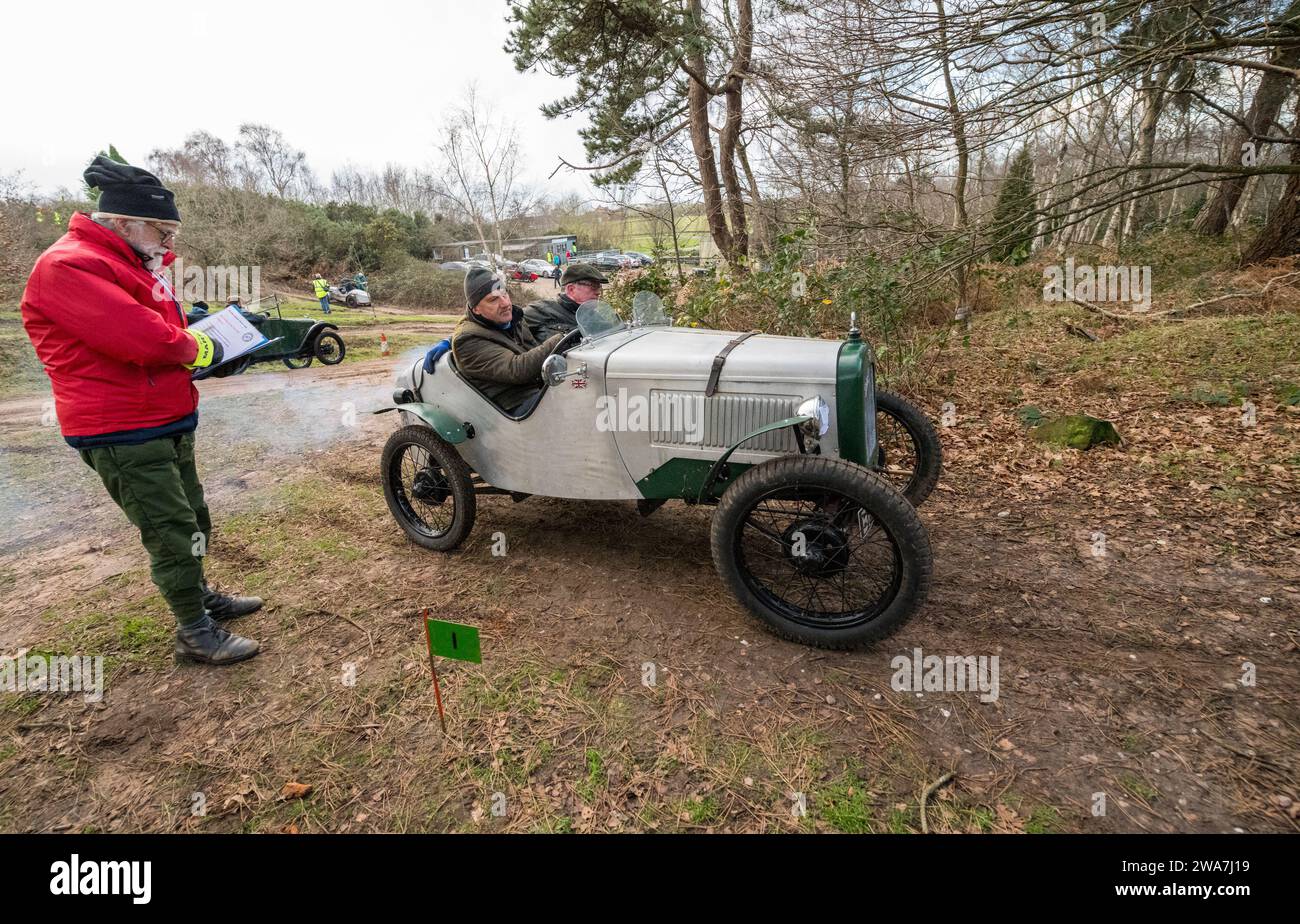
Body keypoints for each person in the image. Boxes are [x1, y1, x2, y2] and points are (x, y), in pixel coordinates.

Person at [20, 156, 262, 666]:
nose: (168, 242)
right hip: (123, 427)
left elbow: (168, 331)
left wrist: (210, 347)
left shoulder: (134, 263)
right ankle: (194, 631)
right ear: (123, 222)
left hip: (166, 416)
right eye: (162, 230)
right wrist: (204, 349)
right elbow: (145, 338)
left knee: (193, 516)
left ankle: (199, 595)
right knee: (170, 528)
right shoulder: (68, 266)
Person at [451, 267, 564, 415]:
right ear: (476, 309)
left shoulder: (513, 319)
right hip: (512, 405)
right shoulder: (467, 340)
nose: (505, 303)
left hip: (537, 389)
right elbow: (517, 369)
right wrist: (561, 339)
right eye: (493, 299)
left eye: (504, 294)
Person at [523, 263, 608, 342]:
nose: (598, 292)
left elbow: (611, 334)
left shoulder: (592, 314)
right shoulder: (540, 310)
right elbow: (516, 336)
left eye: (599, 287)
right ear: (571, 289)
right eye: (594, 286)